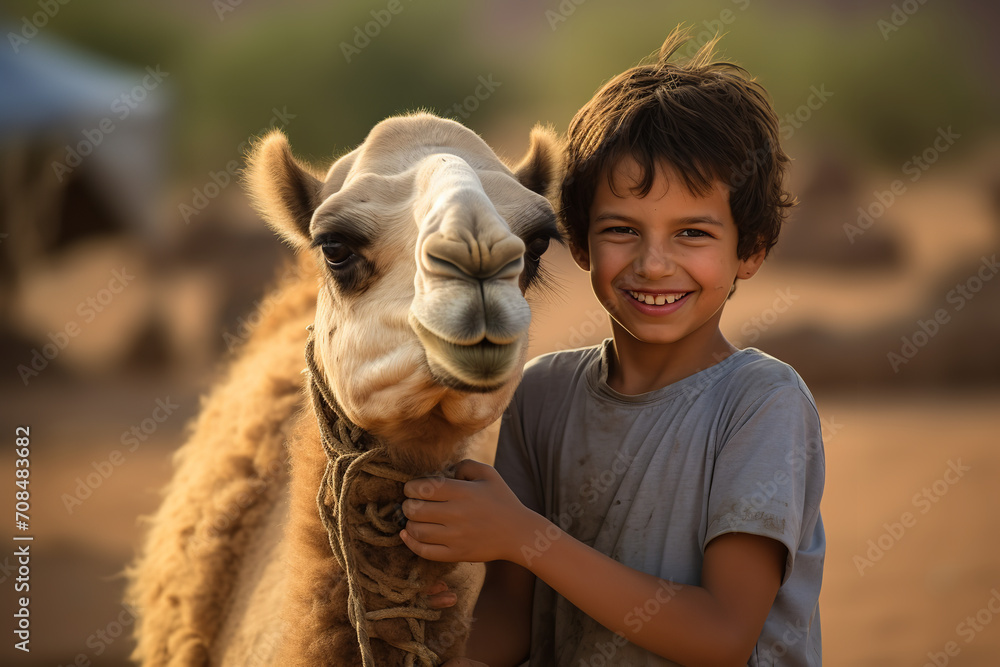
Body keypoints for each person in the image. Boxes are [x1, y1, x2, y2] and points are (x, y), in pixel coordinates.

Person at [402, 25, 825, 667]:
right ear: (580, 245)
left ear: (751, 251)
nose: (654, 265)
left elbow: (722, 636)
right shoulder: (541, 394)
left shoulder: (761, 403)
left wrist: (523, 536)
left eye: (692, 233)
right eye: (622, 229)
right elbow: (509, 625)